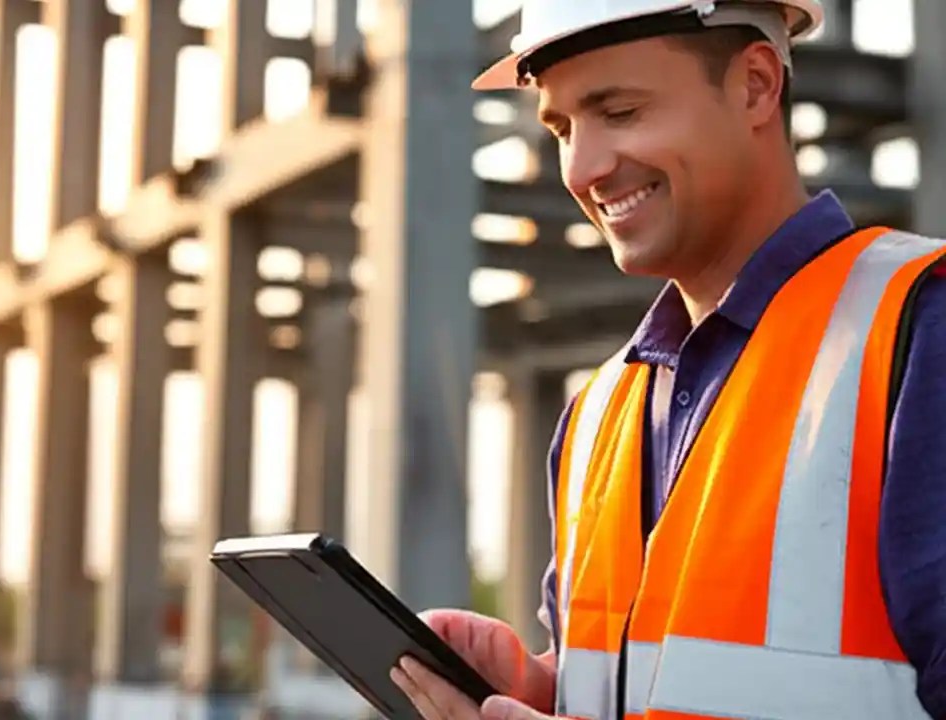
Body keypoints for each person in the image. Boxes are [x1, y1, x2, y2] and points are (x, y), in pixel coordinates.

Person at [388, 1, 946, 719]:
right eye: (561, 128)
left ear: (754, 85)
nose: (582, 168)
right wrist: (541, 686)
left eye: (619, 112)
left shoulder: (919, 335)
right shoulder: (599, 413)